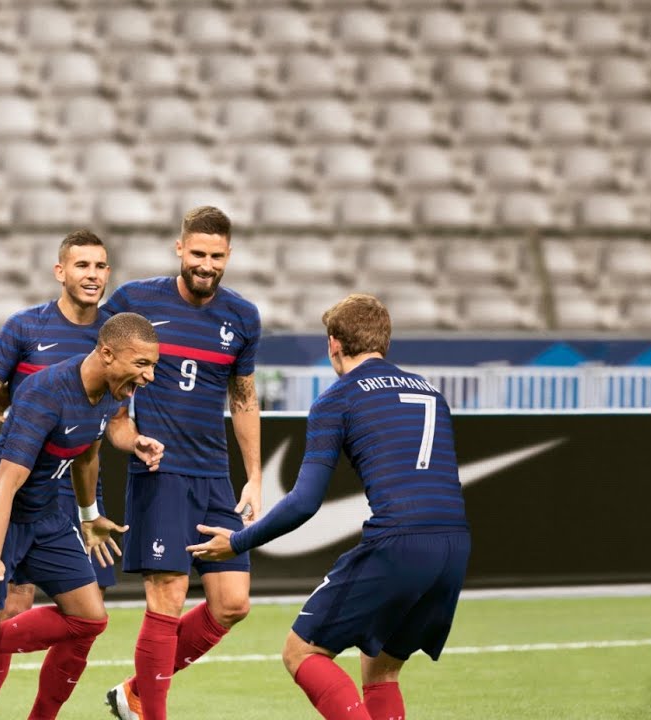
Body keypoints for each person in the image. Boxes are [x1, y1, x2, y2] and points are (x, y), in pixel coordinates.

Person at [189, 293, 470, 720]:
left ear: (334, 343)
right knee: (381, 668)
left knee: (301, 652)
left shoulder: (337, 399)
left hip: (399, 543)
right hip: (454, 547)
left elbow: (304, 502)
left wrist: (239, 542)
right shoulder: (432, 393)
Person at [0, 312, 165, 720]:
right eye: (142, 364)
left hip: (44, 511)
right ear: (106, 354)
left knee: (89, 619)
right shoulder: (44, 393)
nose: (149, 376)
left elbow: (88, 453)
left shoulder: (113, 393)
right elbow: (4, 484)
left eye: (153, 365)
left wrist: (89, 515)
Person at [100, 206, 264, 720]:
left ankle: (133, 693)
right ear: (179, 248)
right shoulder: (135, 301)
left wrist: (255, 475)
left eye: (216, 256)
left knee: (232, 603)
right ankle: (152, 714)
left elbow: (243, 399)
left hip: (214, 476)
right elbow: (108, 391)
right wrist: (129, 438)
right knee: (166, 598)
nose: (206, 264)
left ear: (228, 255)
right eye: (197, 253)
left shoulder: (243, 317)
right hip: (161, 474)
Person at [0, 230, 114, 717]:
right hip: (24, 484)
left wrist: (92, 507)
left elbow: (113, 428)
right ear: (60, 271)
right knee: (9, 606)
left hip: (75, 486)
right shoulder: (26, 326)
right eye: (82, 265)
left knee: (83, 620)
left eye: (101, 266)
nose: (92, 275)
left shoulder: (113, 336)